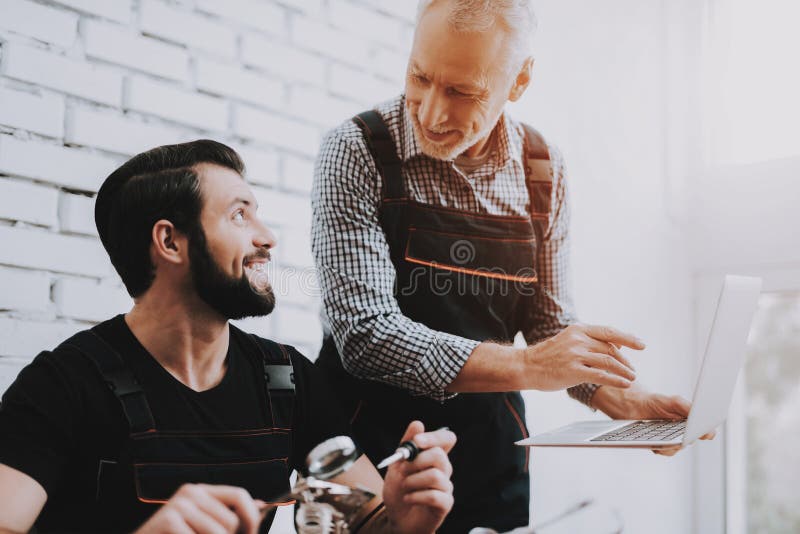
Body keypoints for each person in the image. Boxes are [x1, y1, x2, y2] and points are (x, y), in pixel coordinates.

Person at [311, 1, 710, 532]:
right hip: (366, 451)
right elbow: (366, 336)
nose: (431, 112)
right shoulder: (356, 150)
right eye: (420, 76)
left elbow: (547, 325)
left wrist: (622, 401)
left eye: (463, 92)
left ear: (519, 80)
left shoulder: (543, 169)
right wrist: (529, 367)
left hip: (490, 460)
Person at [0, 140, 456, 534]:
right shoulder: (62, 385)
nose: (267, 237)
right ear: (171, 242)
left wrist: (403, 521)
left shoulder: (287, 378)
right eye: (240, 215)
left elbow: (364, 521)